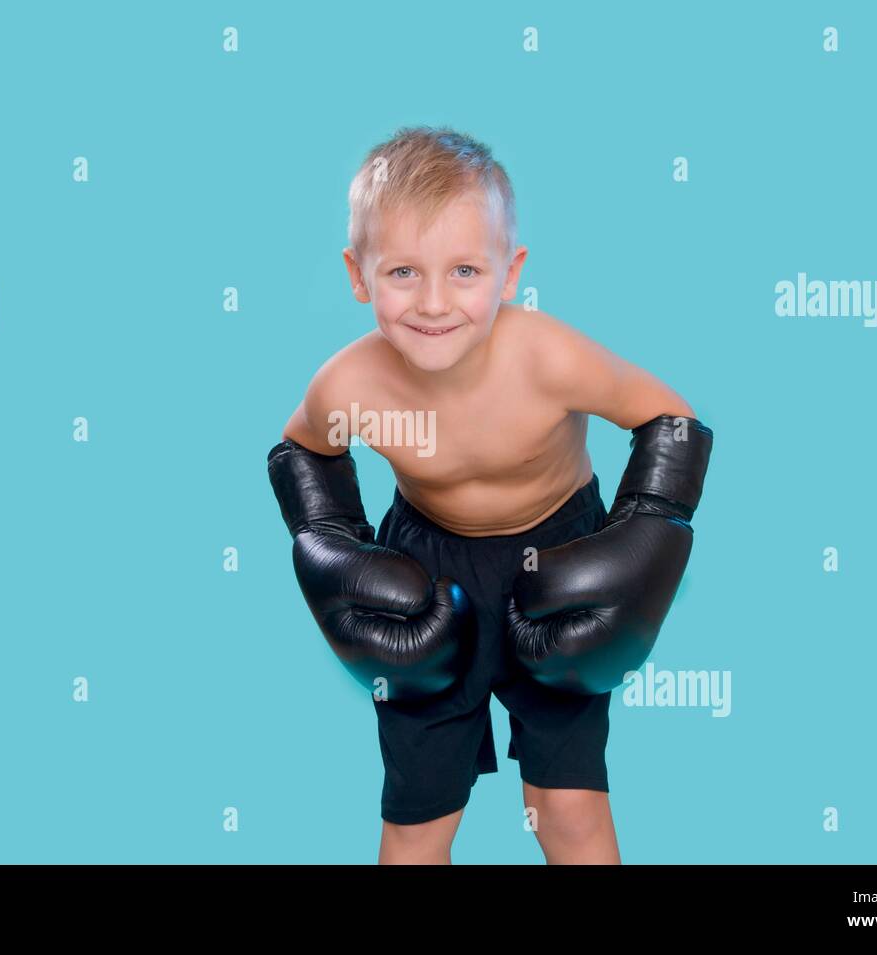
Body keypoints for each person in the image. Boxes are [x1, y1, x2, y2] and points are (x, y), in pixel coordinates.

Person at [267, 126, 713, 864]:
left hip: (563, 566)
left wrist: (641, 545)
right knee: (417, 824)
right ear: (357, 273)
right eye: (403, 272)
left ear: (511, 273)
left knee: (569, 812)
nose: (435, 302)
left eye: (466, 270)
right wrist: (332, 552)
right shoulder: (349, 384)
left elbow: (670, 419)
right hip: (426, 578)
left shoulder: (548, 357)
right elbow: (301, 452)